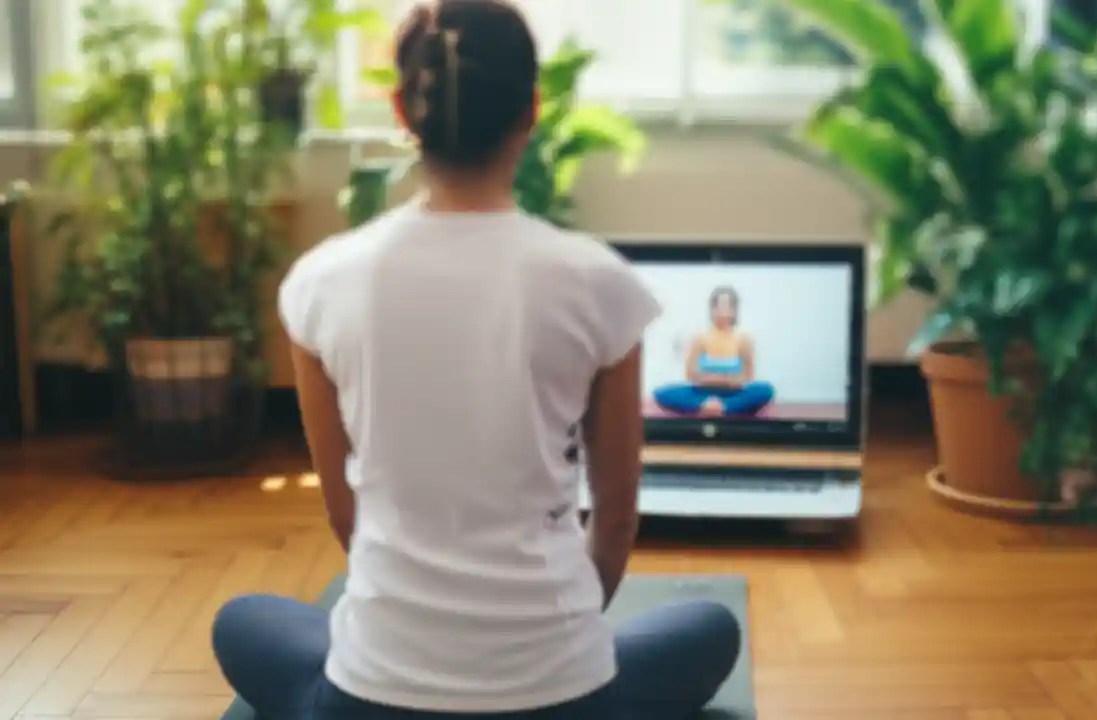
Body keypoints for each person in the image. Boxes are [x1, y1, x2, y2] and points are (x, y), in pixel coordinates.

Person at [210, 2, 740, 719]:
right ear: (531, 110)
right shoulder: (598, 284)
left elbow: (347, 516)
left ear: (402, 107)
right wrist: (557, 651)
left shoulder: (318, 283)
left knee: (241, 622)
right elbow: (615, 520)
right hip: (565, 699)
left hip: (369, 699)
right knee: (708, 632)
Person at [653, 287, 776, 417]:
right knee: (662, 393)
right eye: (718, 306)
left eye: (728, 306)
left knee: (765, 390)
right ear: (711, 310)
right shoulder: (700, 338)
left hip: (733, 393)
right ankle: (706, 405)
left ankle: (724, 407)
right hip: (702, 393)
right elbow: (691, 376)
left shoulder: (743, 339)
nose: (723, 311)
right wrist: (722, 379)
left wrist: (720, 380)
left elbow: (747, 376)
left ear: (735, 311)